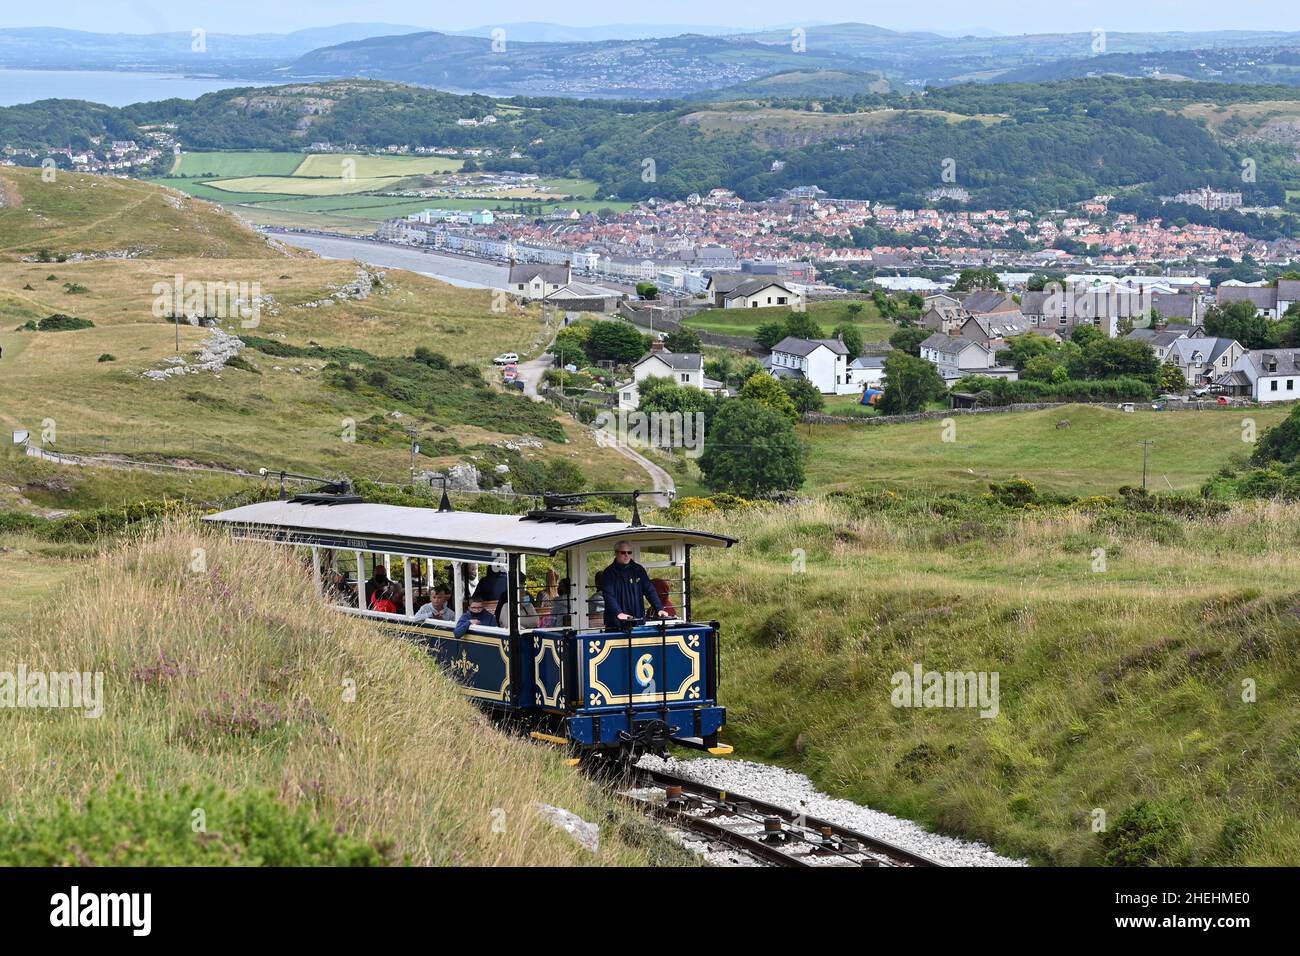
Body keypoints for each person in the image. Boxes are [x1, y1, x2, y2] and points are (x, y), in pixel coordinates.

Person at [602, 541, 670, 625]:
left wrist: (659, 609)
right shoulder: (609, 573)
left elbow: (649, 590)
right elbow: (608, 595)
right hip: (616, 623)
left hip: (637, 620)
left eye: (629, 552)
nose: (626, 555)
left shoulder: (638, 570)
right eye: (623, 552)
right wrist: (618, 613)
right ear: (616, 553)